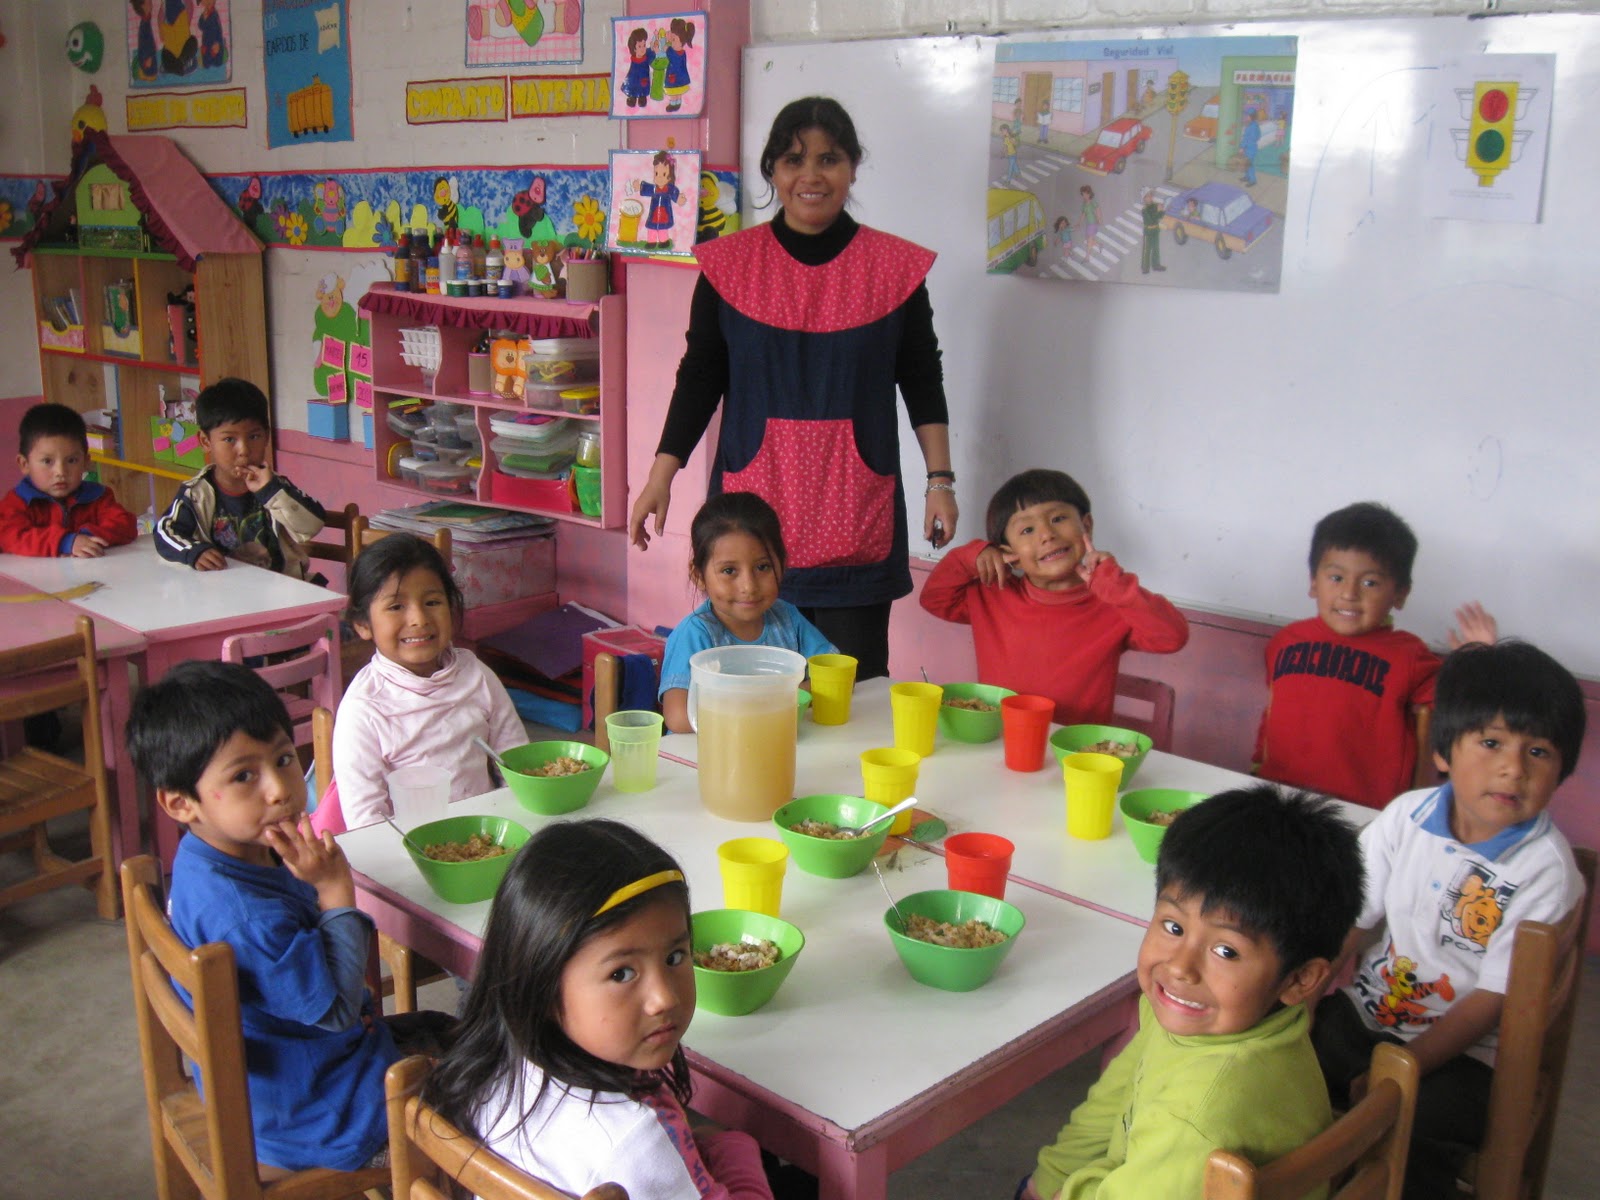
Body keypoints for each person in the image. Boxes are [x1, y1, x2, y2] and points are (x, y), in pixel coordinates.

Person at [628, 96, 958, 681]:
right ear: (772, 172)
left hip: (856, 515)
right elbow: (700, 376)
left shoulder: (895, 269)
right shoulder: (729, 268)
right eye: (792, 160)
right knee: (746, 695)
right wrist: (661, 476)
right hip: (749, 530)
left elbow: (922, 378)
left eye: (828, 159)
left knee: (849, 697)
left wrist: (941, 481)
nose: (811, 176)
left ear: (853, 168)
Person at [124, 661, 450, 1173]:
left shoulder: (212, 856)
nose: (279, 788)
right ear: (180, 803)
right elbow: (339, 1010)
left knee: (458, 1033)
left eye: (282, 758)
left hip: (295, 1080)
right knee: (490, 1109)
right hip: (323, 1115)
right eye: (243, 776)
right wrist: (334, 892)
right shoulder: (242, 917)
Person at [1313, 639, 1587, 1198]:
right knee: (1284, 1060)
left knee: (1417, 1131)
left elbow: (1492, 1003)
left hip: (1467, 1058)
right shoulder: (1403, 818)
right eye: (1491, 742)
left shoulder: (1545, 872)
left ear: (1562, 771)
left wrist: (1403, 1068)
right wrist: (1308, 984)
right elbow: (1355, 921)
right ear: (1444, 751)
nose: (1512, 768)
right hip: (1369, 1014)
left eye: (1538, 752)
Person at [1018, 785, 1365, 1199]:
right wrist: (1053, 1178)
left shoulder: (1198, 1116)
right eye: (1173, 927)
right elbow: (1116, 1095)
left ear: (1300, 980)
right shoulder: (1221, 1017)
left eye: (1226, 951)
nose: (1181, 968)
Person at [419, 819, 775, 1200]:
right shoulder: (634, 1143)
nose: (665, 998)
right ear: (541, 985)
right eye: (622, 973)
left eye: (675, 956)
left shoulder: (491, 1066)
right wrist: (736, 1147)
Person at [1254, 501, 1498, 809]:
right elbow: (1272, 713)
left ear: (1400, 594)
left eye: (1370, 582)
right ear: (1313, 582)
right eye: (1336, 577)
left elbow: (1460, 703)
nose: (1349, 593)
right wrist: (1256, 769)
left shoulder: (1409, 655)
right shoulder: (1285, 642)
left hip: (1364, 812)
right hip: (1280, 795)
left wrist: (1479, 661)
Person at [920, 468, 1187, 725]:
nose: (1047, 535)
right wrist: (972, 555)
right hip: (1000, 743)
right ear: (1008, 552)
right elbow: (934, 599)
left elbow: (1171, 636)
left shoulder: (1113, 604)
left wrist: (1115, 586)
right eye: (1027, 530)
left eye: (1058, 519)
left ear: (1086, 526)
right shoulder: (993, 593)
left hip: (1074, 755)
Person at [331, 533, 524, 831]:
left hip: (488, 835)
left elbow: (516, 764)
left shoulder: (476, 675)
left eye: (432, 601)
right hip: (411, 850)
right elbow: (365, 821)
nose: (419, 619)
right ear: (362, 624)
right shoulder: (364, 709)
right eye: (396, 607)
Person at [658, 492, 835, 733]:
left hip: (775, 747)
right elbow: (679, 717)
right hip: (706, 758)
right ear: (698, 576)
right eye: (729, 571)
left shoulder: (787, 619)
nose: (749, 587)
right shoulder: (696, 634)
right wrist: (771, 702)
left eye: (763, 567)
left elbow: (834, 674)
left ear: (781, 565)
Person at [153, 377, 326, 577]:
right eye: (229, 439)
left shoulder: (276, 486)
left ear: (267, 437)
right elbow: (164, 532)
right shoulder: (196, 494)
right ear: (205, 441)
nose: (244, 450)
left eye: (254, 437)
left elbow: (313, 525)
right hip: (223, 595)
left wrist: (271, 492)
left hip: (283, 590)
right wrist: (193, 551)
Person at [0, 402, 136, 557]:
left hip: (87, 576)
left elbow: (126, 525)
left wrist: (89, 537)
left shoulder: (98, 496)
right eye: (47, 461)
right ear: (25, 464)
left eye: (71, 460)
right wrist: (65, 542)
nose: (60, 472)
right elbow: (11, 537)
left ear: (86, 462)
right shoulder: (16, 504)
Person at [1139, 188, 1165, 274]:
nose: (1150, 198)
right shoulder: (1144, 209)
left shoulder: (1155, 205)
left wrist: (1162, 210)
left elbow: (1160, 216)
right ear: (1144, 199)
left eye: (1151, 195)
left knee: (1156, 248)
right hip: (1148, 231)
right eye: (1147, 196)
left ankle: (1156, 265)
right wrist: (1159, 211)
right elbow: (1151, 220)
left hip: (1155, 230)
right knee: (1147, 249)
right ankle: (1145, 267)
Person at [1240, 109, 1261, 187]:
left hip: (1250, 148)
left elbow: (1249, 139)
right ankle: (1247, 176)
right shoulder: (1253, 124)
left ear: (1251, 116)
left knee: (1249, 164)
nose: (1246, 117)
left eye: (1247, 115)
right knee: (1246, 163)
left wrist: (1242, 147)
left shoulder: (1252, 126)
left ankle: (1253, 180)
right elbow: (1258, 136)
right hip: (1249, 148)